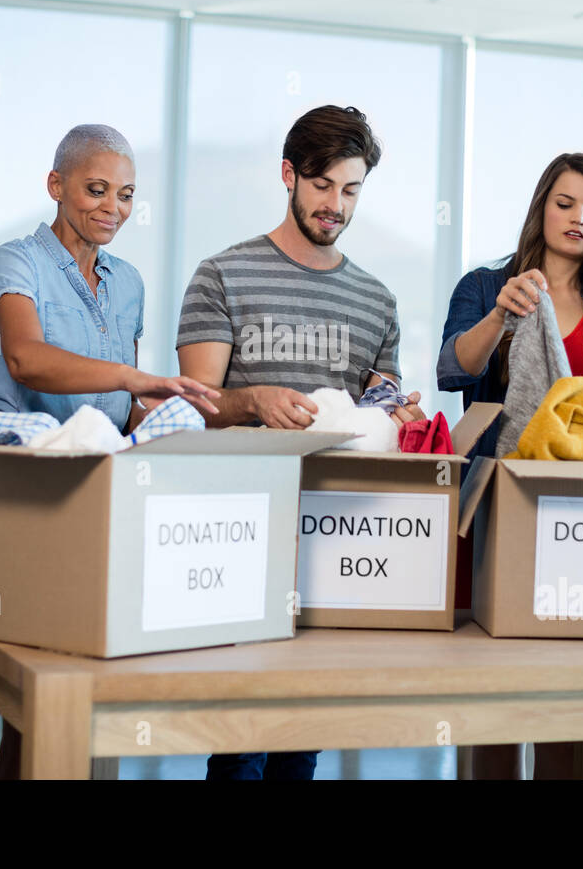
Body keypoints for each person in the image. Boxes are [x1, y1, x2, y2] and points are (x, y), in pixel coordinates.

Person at [176, 104, 425, 779]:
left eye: (351, 190)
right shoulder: (222, 275)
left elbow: (378, 406)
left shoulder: (377, 300)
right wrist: (250, 401)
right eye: (321, 185)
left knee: (302, 738)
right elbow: (192, 410)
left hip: (334, 539)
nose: (335, 205)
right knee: (240, 743)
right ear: (288, 174)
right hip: (238, 534)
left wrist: (395, 415)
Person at [0, 124, 218, 778]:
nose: (113, 207)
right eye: (97, 189)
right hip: (34, 494)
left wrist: (177, 412)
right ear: (57, 186)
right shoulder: (16, 261)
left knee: (89, 688)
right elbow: (26, 358)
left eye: (127, 195)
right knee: (29, 685)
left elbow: (122, 403)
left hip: (106, 497)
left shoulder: (129, 282)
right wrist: (135, 380)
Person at [438, 151, 583, 779]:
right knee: (490, 684)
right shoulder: (484, 286)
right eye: (565, 203)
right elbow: (452, 370)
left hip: (581, 515)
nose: (577, 218)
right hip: (497, 504)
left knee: (567, 684)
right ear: (541, 208)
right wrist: (502, 314)